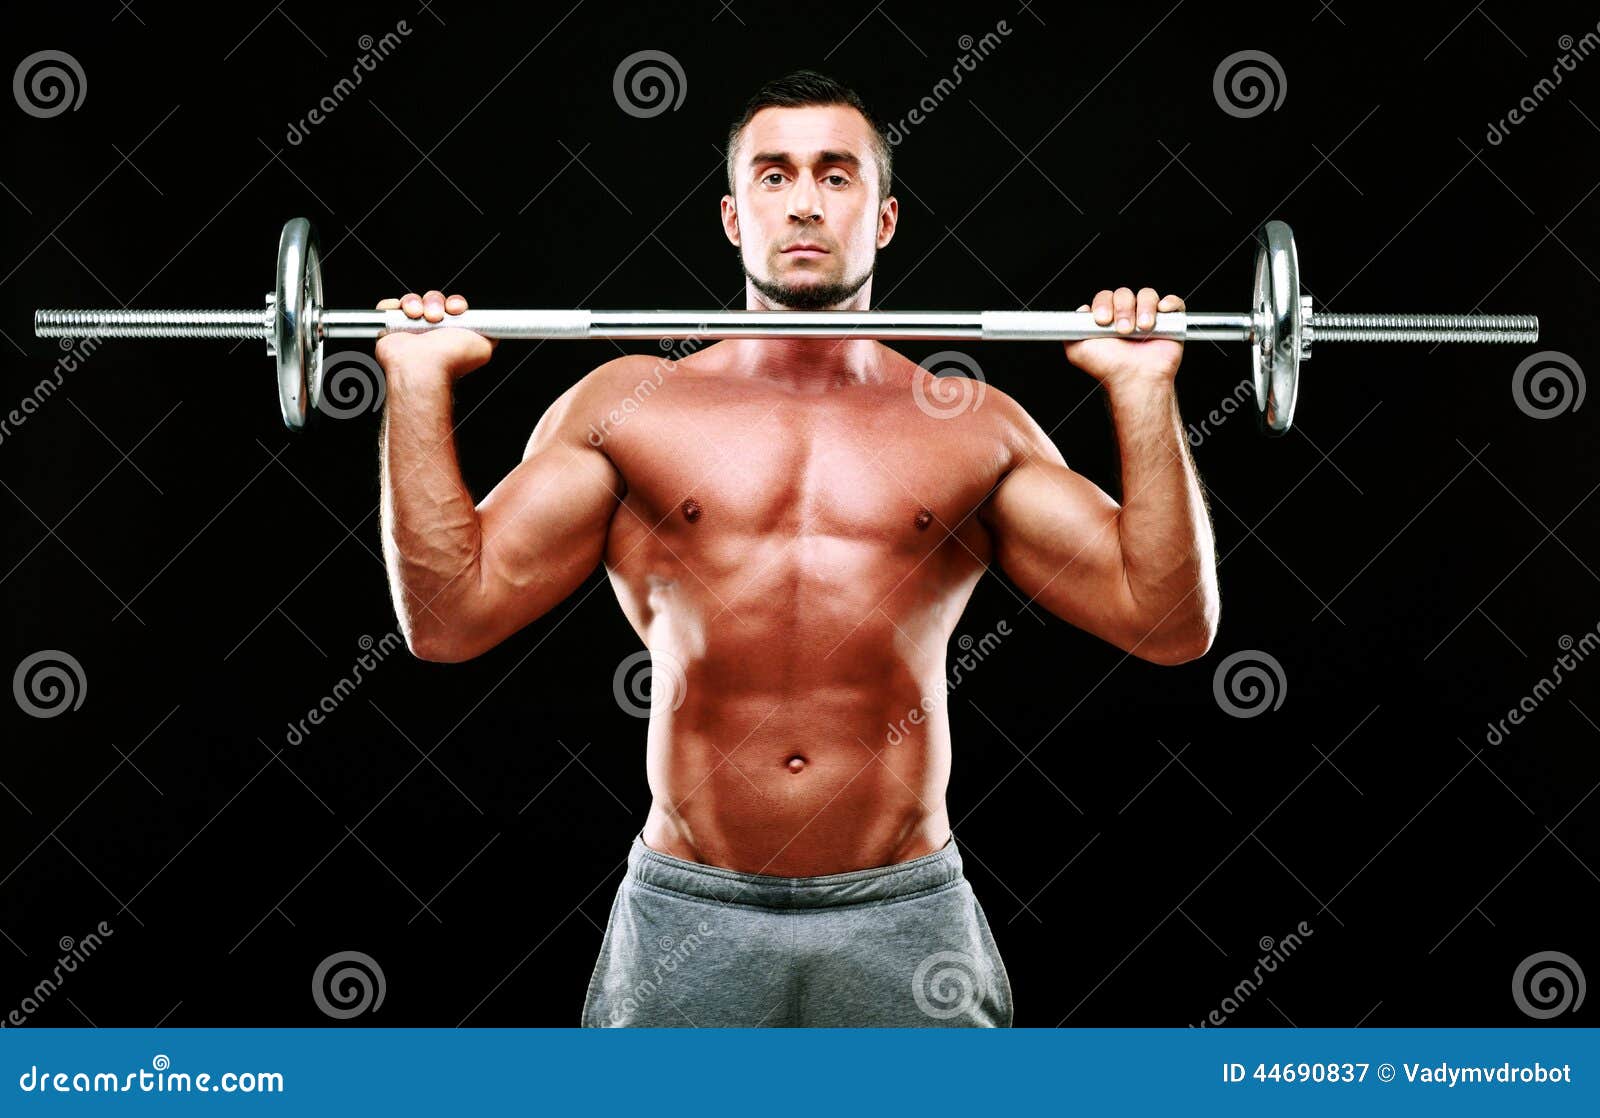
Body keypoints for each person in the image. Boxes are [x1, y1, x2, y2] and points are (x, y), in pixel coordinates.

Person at [373, 70, 1219, 1027]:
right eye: (774, 177)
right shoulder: (630, 409)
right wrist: (415, 387)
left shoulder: (968, 427)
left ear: (885, 217)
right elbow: (447, 621)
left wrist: (1144, 391)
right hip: (690, 912)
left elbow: (1169, 622)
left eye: (836, 174)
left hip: (902, 914)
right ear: (734, 219)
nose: (805, 202)